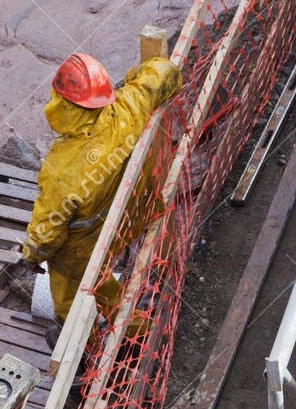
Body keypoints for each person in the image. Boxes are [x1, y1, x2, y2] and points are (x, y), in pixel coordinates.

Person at [20, 52, 182, 324]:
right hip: (134, 213)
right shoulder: (129, 108)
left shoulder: (62, 169)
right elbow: (163, 72)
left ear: (63, 103)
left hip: (88, 242)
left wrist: (32, 254)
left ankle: (87, 344)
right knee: (99, 275)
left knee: (68, 287)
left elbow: (48, 229)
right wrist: (131, 80)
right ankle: (134, 327)